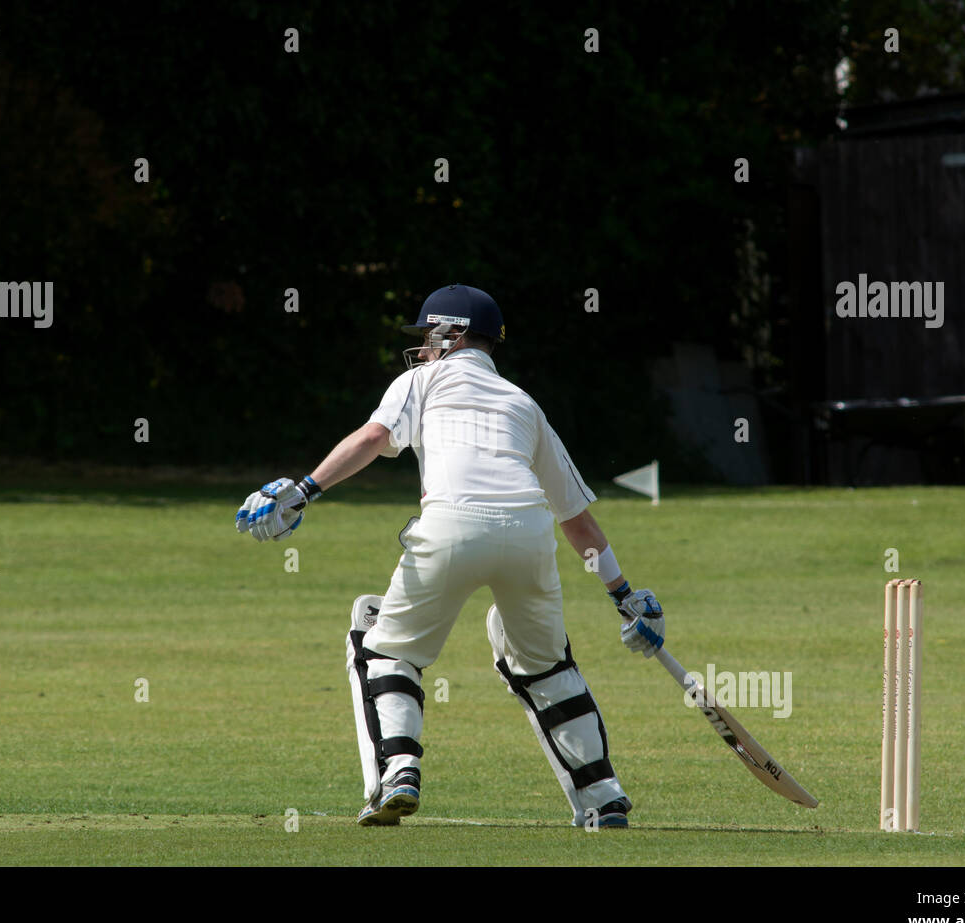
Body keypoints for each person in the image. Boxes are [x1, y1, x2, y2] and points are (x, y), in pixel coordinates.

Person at [236, 284, 664, 827]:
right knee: (548, 668)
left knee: (381, 644)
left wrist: (303, 490)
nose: (423, 348)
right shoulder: (523, 403)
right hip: (529, 537)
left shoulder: (421, 379)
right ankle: (604, 800)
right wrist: (625, 596)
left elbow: (373, 437)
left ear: (450, 333)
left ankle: (399, 772)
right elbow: (577, 521)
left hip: (451, 528)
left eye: (428, 336)